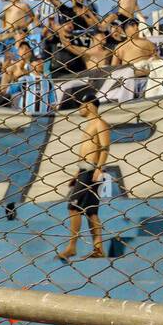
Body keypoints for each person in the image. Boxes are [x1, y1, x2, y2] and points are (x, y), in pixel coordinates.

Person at [58, 90, 110, 261]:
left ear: (89, 105)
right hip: (84, 170)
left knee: (73, 207)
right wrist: (76, 173)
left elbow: (104, 148)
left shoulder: (99, 123)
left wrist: (99, 168)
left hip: (91, 170)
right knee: (91, 211)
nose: (79, 109)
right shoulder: (89, 125)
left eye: (81, 105)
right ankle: (98, 248)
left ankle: (72, 246)